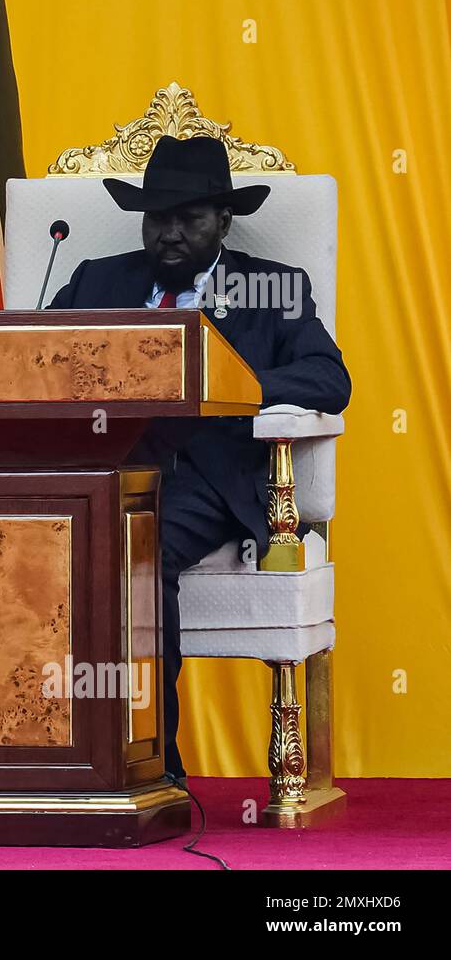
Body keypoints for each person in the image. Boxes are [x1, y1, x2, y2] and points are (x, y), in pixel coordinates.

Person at [48, 135, 351, 780]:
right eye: (158, 218)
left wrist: (230, 382)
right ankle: (35, 756)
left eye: (189, 219)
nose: (171, 234)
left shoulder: (274, 288)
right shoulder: (97, 280)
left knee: (133, 551)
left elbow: (329, 380)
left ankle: (149, 761)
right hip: (100, 469)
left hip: (204, 477)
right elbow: (38, 362)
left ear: (224, 220)